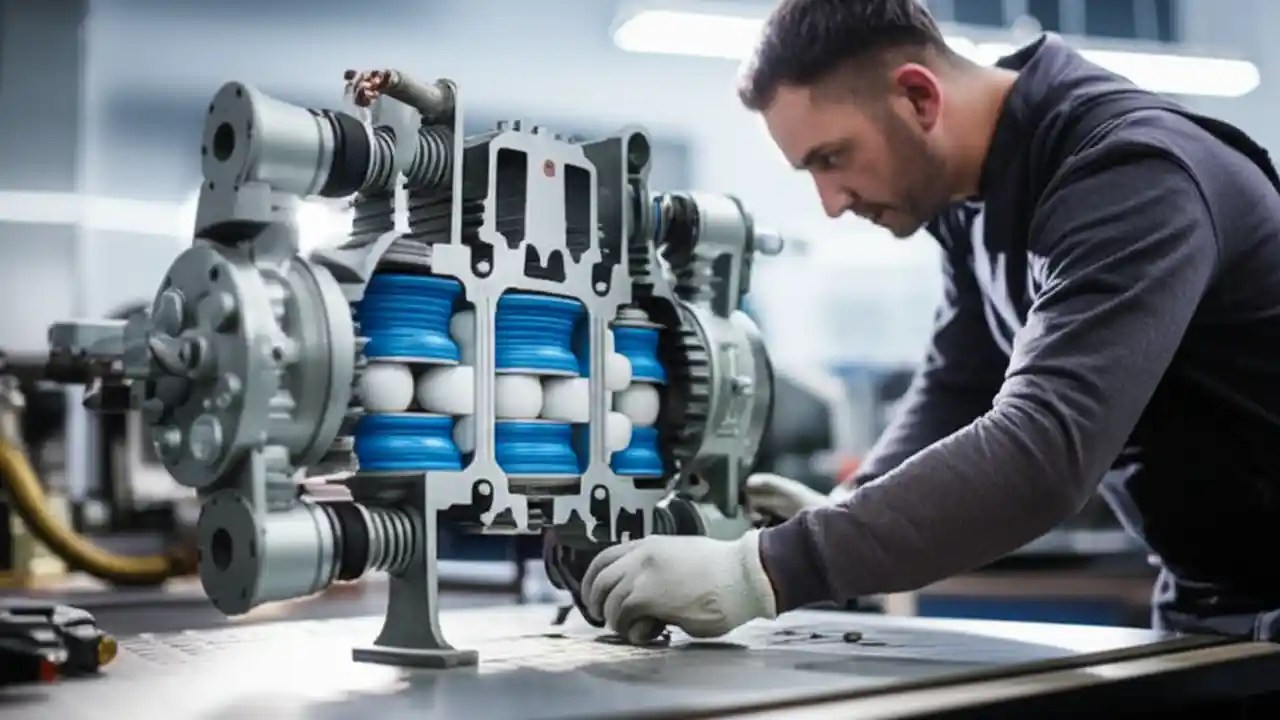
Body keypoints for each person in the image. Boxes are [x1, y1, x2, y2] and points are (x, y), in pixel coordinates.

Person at [580, 0, 1280, 645]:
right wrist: (848, 504)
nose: (829, 201)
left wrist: (764, 568)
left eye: (832, 158)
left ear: (918, 96)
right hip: (1206, 599)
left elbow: (1042, 453)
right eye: (808, 172)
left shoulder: (1127, 173)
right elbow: (959, 386)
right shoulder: (973, 199)